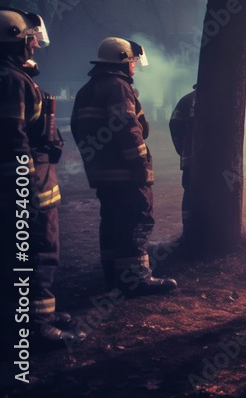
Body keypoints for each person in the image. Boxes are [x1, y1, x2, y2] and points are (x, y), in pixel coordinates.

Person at [0, 7, 82, 347]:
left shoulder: (15, 78)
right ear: (16, 42)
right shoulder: (11, 81)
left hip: (29, 185)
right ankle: (34, 326)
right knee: (34, 251)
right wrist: (24, 189)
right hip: (27, 188)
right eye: (30, 40)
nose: (34, 47)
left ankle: (38, 315)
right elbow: (12, 138)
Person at [71, 37, 177, 296]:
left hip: (104, 173)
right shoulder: (118, 86)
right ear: (122, 61)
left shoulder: (88, 89)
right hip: (126, 173)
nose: (135, 68)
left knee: (112, 222)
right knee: (136, 220)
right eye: (132, 62)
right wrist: (140, 165)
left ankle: (114, 276)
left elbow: (77, 128)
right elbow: (127, 128)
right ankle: (136, 279)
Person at [169, 85, 196, 236]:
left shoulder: (187, 99)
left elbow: (174, 125)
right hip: (215, 164)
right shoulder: (220, 99)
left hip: (190, 159)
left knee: (190, 192)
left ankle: (189, 230)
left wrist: (183, 149)